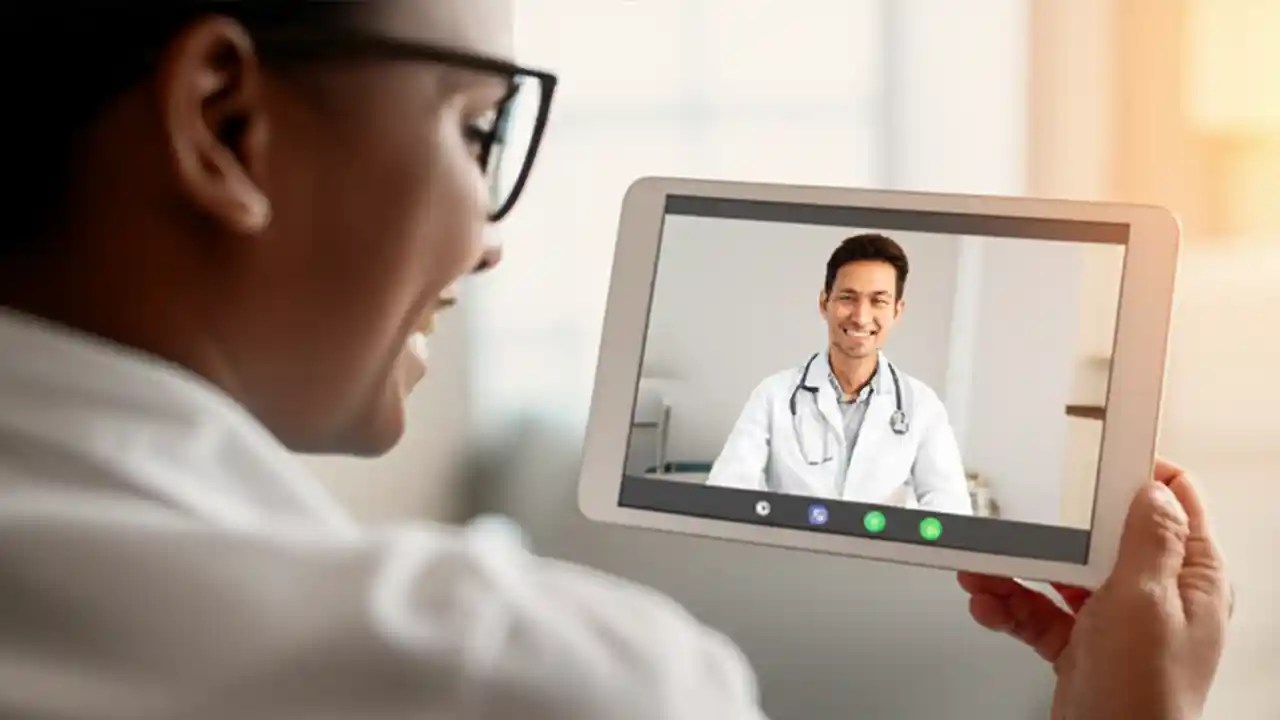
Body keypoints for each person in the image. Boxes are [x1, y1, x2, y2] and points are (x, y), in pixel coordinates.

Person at [0, 2, 1229, 719]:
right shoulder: (542, 676)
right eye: (474, 128)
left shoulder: (926, 415)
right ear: (224, 125)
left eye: (878, 305)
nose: (487, 241)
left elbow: (949, 500)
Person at [706, 233, 972, 514]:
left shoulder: (922, 405)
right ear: (824, 303)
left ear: (897, 311)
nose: (860, 316)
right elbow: (726, 494)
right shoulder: (773, 395)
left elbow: (950, 510)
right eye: (848, 298)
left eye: (878, 301)